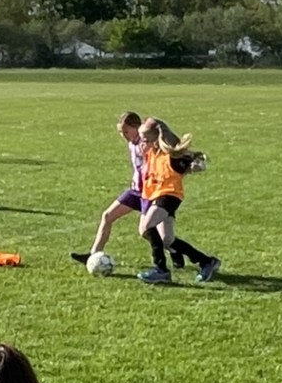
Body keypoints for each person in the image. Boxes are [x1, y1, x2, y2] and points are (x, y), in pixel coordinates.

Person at [133, 118, 219, 285]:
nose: (143, 142)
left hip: (169, 195)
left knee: (146, 226)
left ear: (156, 137)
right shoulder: (152, 152)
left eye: (145, 139)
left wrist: (197, 165)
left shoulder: (172, 155)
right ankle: (207, 261)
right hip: (156, 196)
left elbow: (196, 158)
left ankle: (161, 270)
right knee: (167, 240)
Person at [72, 112, 145, 264]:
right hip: (135, 192)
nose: (123, 136)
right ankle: (94, 255)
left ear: (137, 127)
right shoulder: (132, 143)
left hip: (149, 193)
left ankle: (176, 251)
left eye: (126, 131)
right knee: (107, 216)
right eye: (121, 132)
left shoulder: (145, 144)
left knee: (153, 232)